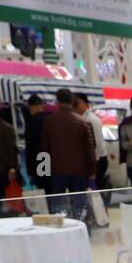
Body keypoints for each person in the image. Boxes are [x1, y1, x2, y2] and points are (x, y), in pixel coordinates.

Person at [39, 87, 96, 220]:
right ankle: (80, 229)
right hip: (80, 171)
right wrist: (92, 171)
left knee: (57, 206)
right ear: (72, 102)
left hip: (57, 171)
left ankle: (58, 231)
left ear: (57, 102)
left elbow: (45, 149)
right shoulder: (83, 122)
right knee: (79, 206)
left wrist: (43, 172)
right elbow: (90, 150)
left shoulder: (48, 121)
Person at [73, 93, 110, 209]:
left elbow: (96, 145)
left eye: (77, 103)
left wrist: (93, 167)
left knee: (95, 191)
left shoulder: (91, 120)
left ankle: (100, 215)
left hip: (97, 160)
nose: (75, 106)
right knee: (92, 191)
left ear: (86, 104)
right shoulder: (81, 119)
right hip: (93, 160)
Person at [22, 94, 49, 197]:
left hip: (38, 161)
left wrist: (30, 169)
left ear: (31, 107)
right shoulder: (48, 119)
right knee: (50, 190)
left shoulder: (31, 123)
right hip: (49, 159)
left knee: (42, 190)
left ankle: (47, 211)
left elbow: (30, 146)